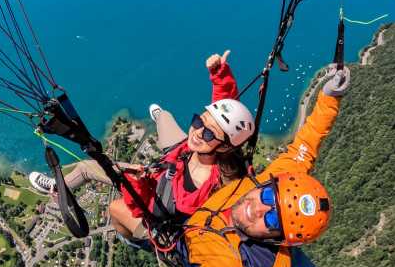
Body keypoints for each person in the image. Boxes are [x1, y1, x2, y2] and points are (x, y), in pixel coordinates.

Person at [101, 63, 350, 267]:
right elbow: (306, 146)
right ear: (270, 184)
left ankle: (142, 244)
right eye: (268, 196)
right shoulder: (272, 182)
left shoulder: (232, 261)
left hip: (178, 244)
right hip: (192, 224)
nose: (258, 208)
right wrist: (330, 98)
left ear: (276, 238)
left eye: (272, 218)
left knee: (117, 209)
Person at [29, 50, 256, 241]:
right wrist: (220, 75)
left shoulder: (205, 190)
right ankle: (160, 118)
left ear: (225, 147)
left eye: (207, 133)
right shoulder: (209, 144)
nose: (197, 132)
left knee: (104, 193)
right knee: (165, 116)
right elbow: (225, 117)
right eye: (198, 121)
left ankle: (126, 235)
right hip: (175, 159)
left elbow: (146, 208)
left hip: (157, 212)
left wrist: (135, 183)